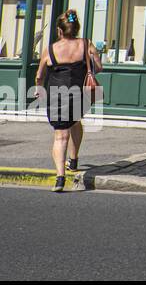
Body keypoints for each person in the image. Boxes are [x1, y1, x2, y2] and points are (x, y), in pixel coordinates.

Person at [33, 10, 100, 193]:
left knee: (60, 135)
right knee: (76, 121)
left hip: (56, 95)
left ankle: (60, 177)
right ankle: (74, 159)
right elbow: (99, 67)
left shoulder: (50, 49)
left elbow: (39, 76)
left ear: (59, 31)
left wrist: (39, 89)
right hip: (79, 94)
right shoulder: (86, 44)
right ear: (75, 28)